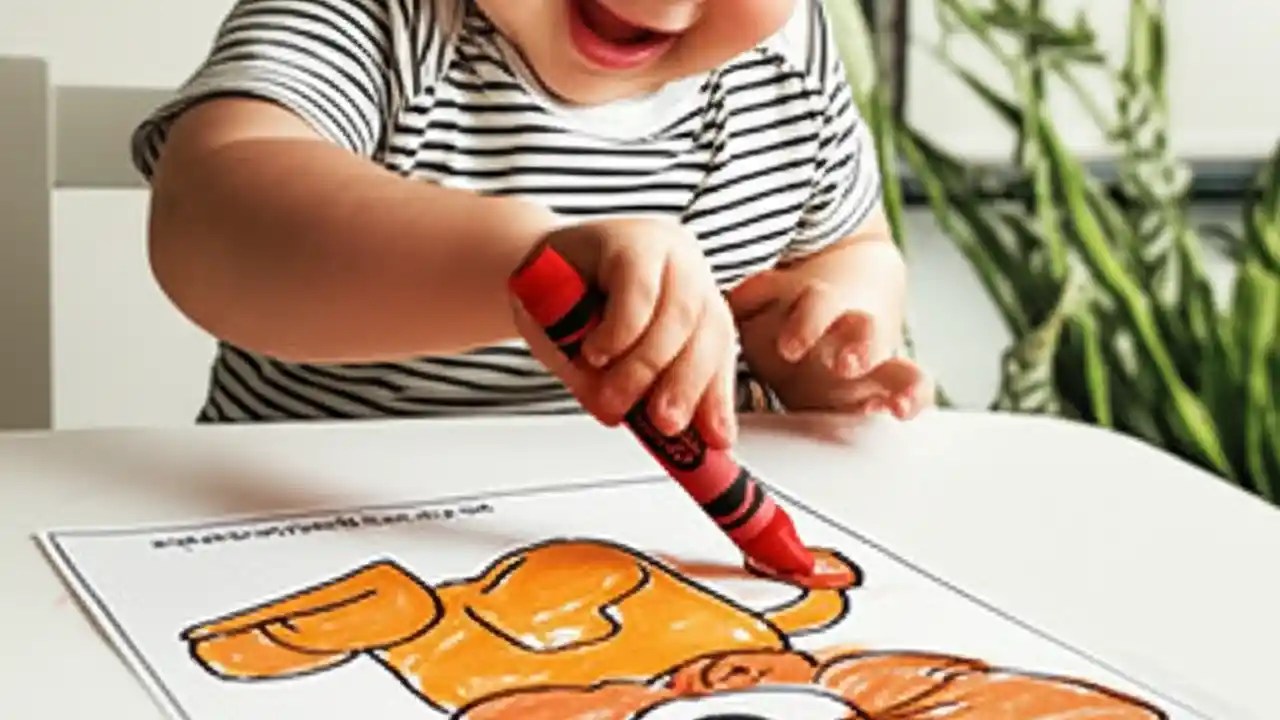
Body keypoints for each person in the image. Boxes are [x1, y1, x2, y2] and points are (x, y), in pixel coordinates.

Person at [132, 0, 933, 447]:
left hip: (647, 566)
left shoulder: (788, 58)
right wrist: (522, 265)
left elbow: (850, 245)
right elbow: (209, 209)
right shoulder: (379, 18)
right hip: (295, 542)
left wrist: (818, 341)